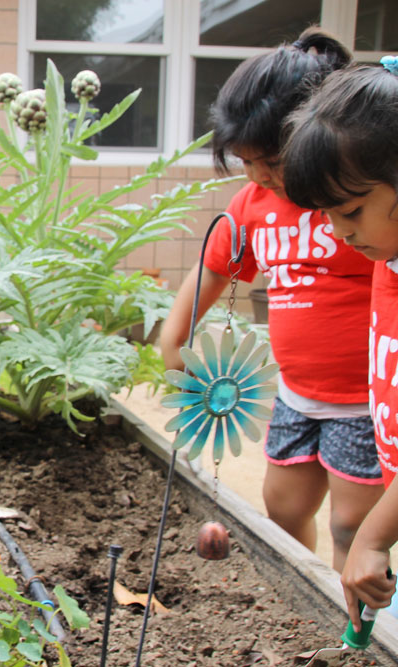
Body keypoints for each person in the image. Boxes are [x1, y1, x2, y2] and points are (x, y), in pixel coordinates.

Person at [158, 28, 382, 573]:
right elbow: (210, 274)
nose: (261, 175)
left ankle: (356, 629)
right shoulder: (253, 205)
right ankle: (305, 604)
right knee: (282, 509)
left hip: (365, 400)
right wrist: (173, 344)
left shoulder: (356, 205)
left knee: (351, 527)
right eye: (246, 162)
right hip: (296, 393)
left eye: (274, 160)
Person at [281, 57, 398, 626]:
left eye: (350, 210)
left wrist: (372, 539)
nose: (339, 232)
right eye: (327, 215)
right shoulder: (387, 258)